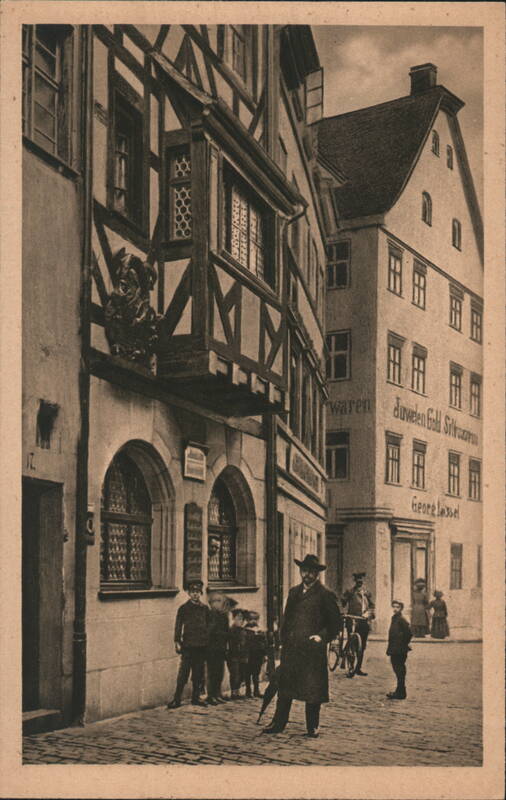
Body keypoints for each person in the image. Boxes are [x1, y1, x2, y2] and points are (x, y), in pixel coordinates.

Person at [262, 554, 341, 738]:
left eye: (311, 572)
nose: (307, 575)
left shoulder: (325, 595)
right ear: (300, 571)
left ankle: (312, 726)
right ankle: (278, 723)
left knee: (312, 689)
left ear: (317, 574)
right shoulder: (293, 592)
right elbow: (286, 619)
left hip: (312, 650)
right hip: (292, 648)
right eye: (304, 571)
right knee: (285, 686)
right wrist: (283, 641)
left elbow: (335, 624)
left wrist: (321, 637)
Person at [167, 579, 211, 709]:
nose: (195, 595)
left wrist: (207, 641)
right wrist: (177, 641)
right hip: (187, 646)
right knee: (183, 674)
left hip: (201, 646)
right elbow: (178, 625)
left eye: (197, 592)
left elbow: (209, 626)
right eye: (193, 592)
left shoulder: (205, 609)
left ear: (200, 593)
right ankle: (177, 699)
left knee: (198, 674)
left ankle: (196, 697)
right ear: (188, 593)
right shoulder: (184, 608)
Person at [341, 571, 375, 675]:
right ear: (355, 582)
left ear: (363, 582)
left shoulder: (367, 593)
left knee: (362, 646)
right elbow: (343, 602)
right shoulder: (350, 592)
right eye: (358, 581)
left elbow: (372, 606)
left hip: (364, 621)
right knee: (352, 641)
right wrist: (343, 607)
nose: (360, 583)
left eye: (361, 581)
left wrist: (369, 614)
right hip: (352, 619)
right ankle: (348, 661)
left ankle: (358, 668)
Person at [205, 591, 230, 705]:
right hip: (212, 648)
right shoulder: (210, 615)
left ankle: (217, 693)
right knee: (212, 672)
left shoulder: (224, 616)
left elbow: (227, 632)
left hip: (221, 647)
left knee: (220, 672)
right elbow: (208, 632)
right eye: (215, 601)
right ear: (211, 603)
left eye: (220, 601)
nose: (218, 604)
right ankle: (211, 695)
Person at [386, 600, 412, 700]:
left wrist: (403, 644)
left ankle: (401, 692)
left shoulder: (401, 619)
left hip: (399, 649)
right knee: (398, 670)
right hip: (395, 648)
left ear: (401, 608)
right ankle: (400, 691)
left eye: (397, 607)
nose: (395, 609)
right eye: (394, 607)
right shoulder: (395, 618)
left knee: (399, 670)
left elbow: (409, 633)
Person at [244, 610, 268, 698]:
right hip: (249, 654)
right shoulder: (245, 630)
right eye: (251, 619)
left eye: (255, 619)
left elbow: (264, 643)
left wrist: (265, 654)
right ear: (247, 620)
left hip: (258, 655)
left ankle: (256, 691)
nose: (253, 621)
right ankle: (248, 691)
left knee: (256, 673)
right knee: (247, 673)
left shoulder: (260, 630)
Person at [227, 608, 249, 699]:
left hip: (243, 655)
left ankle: (237, 691)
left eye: (241, 618)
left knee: (241, 673)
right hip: (233, 655)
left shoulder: (243, 630)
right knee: (234, 674)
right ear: (233, 619)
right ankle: (233, 692)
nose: (240, 620)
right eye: (237, 618)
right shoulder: (230, 630)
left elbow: (246, 642)